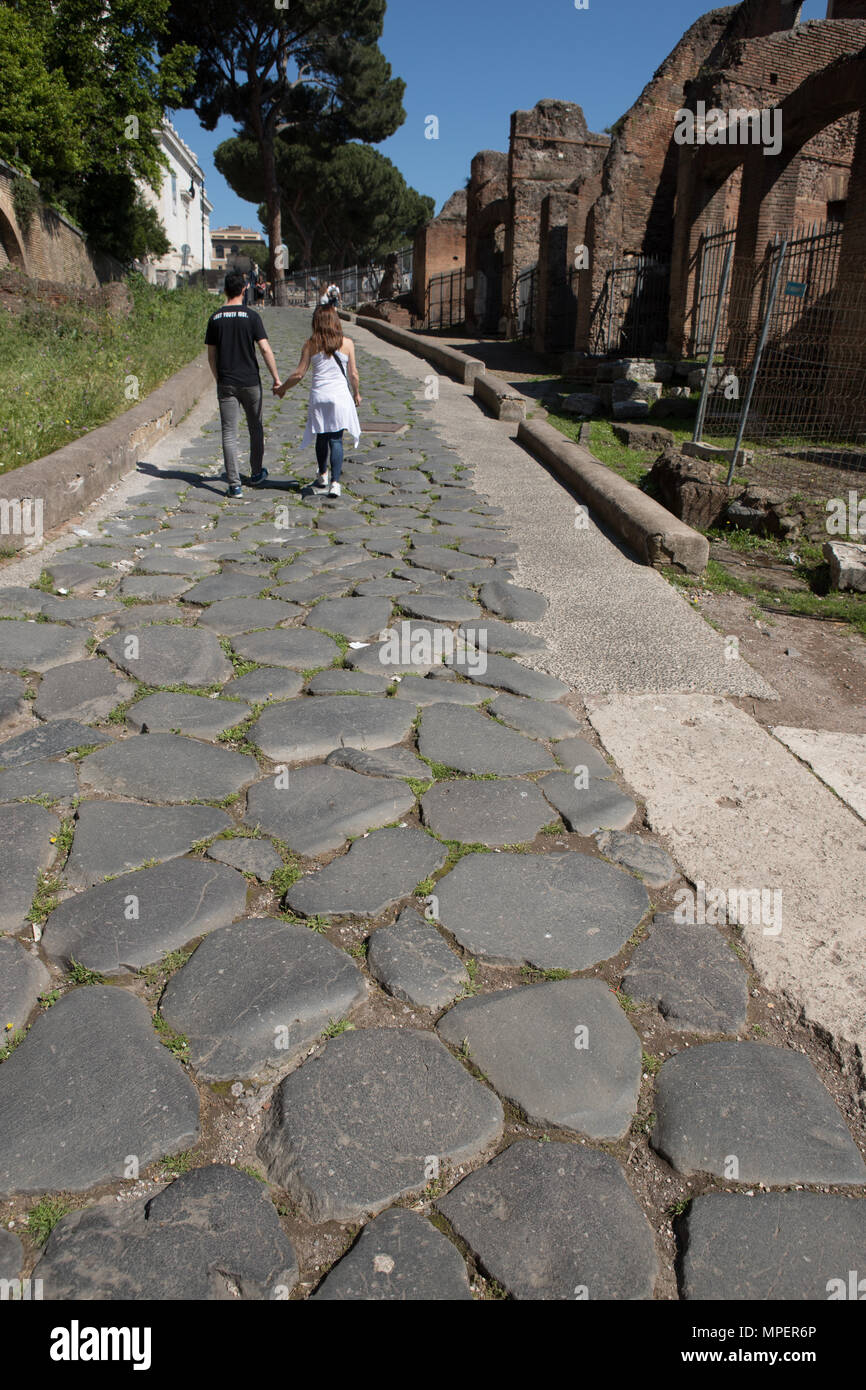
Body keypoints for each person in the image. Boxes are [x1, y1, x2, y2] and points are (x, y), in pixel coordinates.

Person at [205, 270, 281, 497]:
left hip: (226, 382)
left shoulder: (215, 318)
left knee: (229, 432)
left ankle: (234, 484)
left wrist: (218, 377)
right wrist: (276, 378)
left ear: (225, 290)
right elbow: (265, 349)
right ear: (245, 289)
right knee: (255, 427)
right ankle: (257, 472)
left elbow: (211, 355)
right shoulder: (252, 317)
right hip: (250, 382)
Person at [275, 303, 361, 498]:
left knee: (322, 436)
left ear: (316, 322)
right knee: (336, 439)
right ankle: (335, 483)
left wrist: (282, 389)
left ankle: (322, 474)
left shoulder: (310, 344)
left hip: (319, 397)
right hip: (339, 397)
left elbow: (298, 374)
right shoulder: (347, 343)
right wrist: (356, 393)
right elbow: (353, 374)